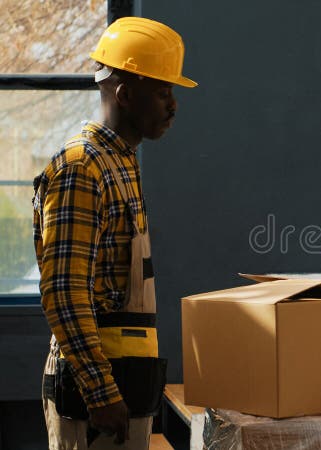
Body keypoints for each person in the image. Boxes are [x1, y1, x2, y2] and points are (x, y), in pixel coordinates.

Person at [33, 17, 196, 448]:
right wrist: (101, 392)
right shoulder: (81, 169)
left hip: (125, 389)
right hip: (94, 402)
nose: (172, 105)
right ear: (125, 94)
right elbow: (65, 292)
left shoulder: (120, 163)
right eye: (163, 92)